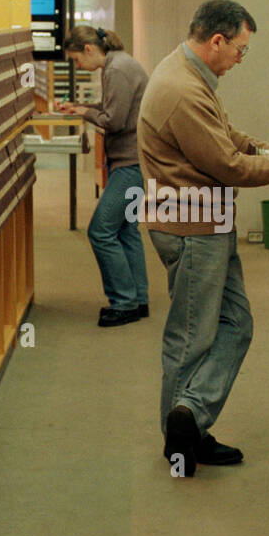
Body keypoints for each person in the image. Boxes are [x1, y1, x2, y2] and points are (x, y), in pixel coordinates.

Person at [136, 0, 269, 477]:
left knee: (235, 325)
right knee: (190, 338)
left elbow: (228, 137)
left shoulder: (190, 74)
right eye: (240, 50)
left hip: (206, 223)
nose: (241, 59)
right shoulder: (182, 91)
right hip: (191, 230)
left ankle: (189, 417)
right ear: (217, 41)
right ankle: (182, 441)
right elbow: (228, 165)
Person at [58, 25, 151, 327]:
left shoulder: (117, 70)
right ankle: (138, 299)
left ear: (87, 49)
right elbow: (113, 108)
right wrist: (81, 106)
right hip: (132, 160)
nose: (77, 67)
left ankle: (124, 303)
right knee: (125, 231)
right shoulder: (119, 64)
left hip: (130, 163)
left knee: (100, 231)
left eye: (75, 60)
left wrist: (83, 114)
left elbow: (114, 121)